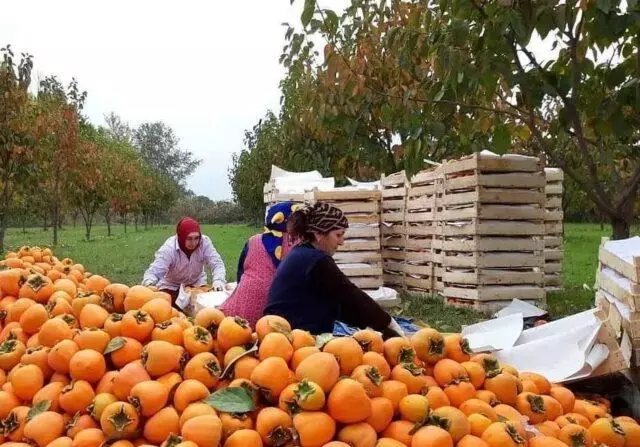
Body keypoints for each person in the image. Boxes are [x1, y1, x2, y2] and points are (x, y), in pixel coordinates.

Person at [265, 202, 404, 338]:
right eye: (338, 235)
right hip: (292, 338)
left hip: (280, 333)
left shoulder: (302, 254)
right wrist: (388, 323)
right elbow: (350, 295)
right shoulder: (316, 260)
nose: (342, 241)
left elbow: (339, 302)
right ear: (319, 234)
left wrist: (372, 324)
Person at [220, 201, 297, 328]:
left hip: (236, 317)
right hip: (272, 322)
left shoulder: (253, 241)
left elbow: (241, 274)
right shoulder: (296, 243)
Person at [142, 217, 226, 307]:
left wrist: (218, 281)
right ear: (181, 236)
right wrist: (149, 285)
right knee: (165, 307)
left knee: (205, 307)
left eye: (196, 238)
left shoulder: (204, 243)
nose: (193, 243)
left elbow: (217, 264)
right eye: (189, 238)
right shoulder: (169, 248)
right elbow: (154, 271)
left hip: (196, 285)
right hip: (172, 285)